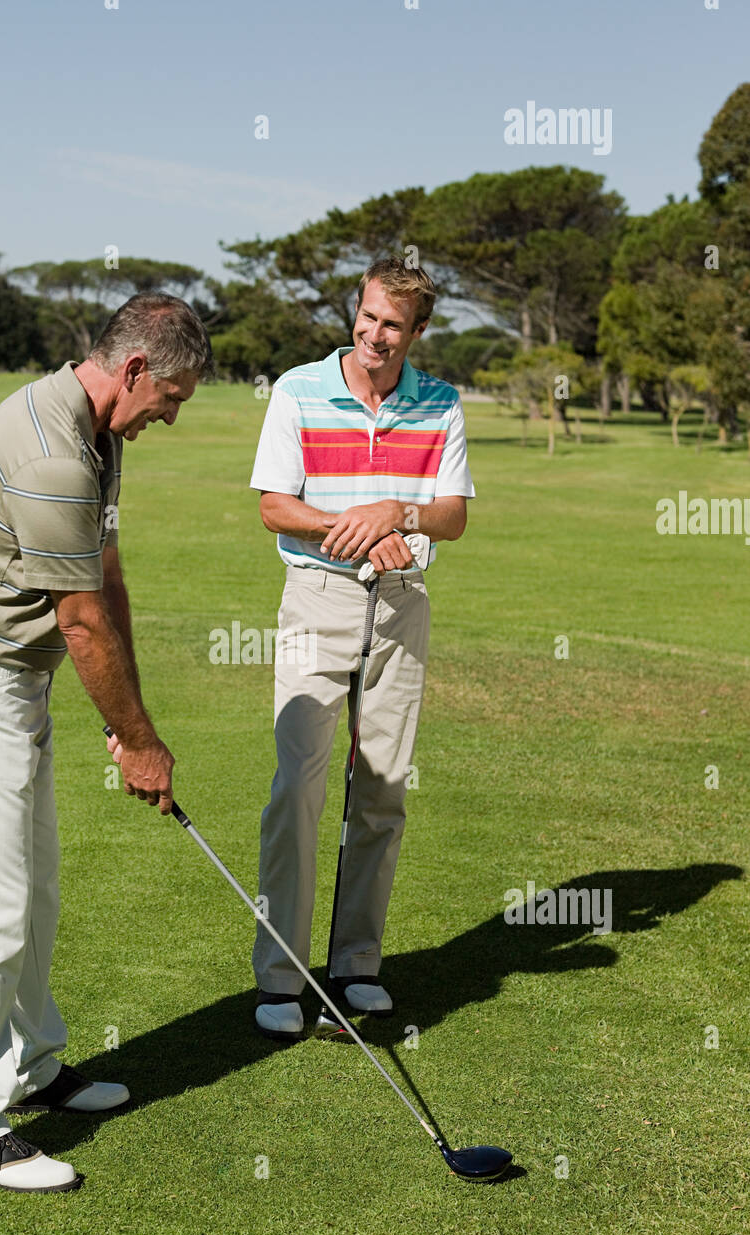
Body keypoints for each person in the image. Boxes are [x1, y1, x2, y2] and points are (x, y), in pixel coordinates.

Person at [0, 293, 213, 1192]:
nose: (171, 415)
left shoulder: (95, 434)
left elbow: (102, 577)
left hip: (13, 685)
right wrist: (140, 745)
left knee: (34, 893)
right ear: (135, 369)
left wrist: (125, 720)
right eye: (171, 396)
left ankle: (25, 1068)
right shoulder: (52, 451)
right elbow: (82, 622)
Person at [249, 257, 475, 1040]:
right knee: (298, 788)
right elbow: (275, 507)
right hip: (318, 598)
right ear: (357, 311)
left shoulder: (440, 403)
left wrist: (395, 514)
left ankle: (355, 966)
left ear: (415, 333)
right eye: (368, 317)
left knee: (381, 788)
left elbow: (450, 516)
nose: (376, 336)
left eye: (394, 326)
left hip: (402, 606)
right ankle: (282, 973)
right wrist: (352, 533)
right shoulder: (297, 390)